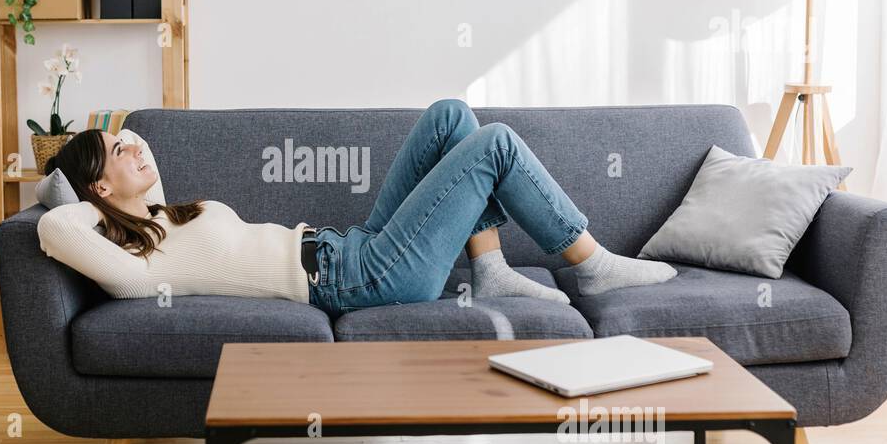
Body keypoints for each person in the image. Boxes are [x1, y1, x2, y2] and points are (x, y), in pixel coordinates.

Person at [38, 99, 675, 315]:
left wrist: (118, 154)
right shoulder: (138, 260)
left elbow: (141, 152)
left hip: (353, 245)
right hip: (362, 277)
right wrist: (64, 185)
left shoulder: (164, 215)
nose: (135, 147)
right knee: (496, 144)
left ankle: (490, 269)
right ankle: (589, 262)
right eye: (118, 152)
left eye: (128, 141)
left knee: (449, 117)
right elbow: (57, 225)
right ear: (98, 191)